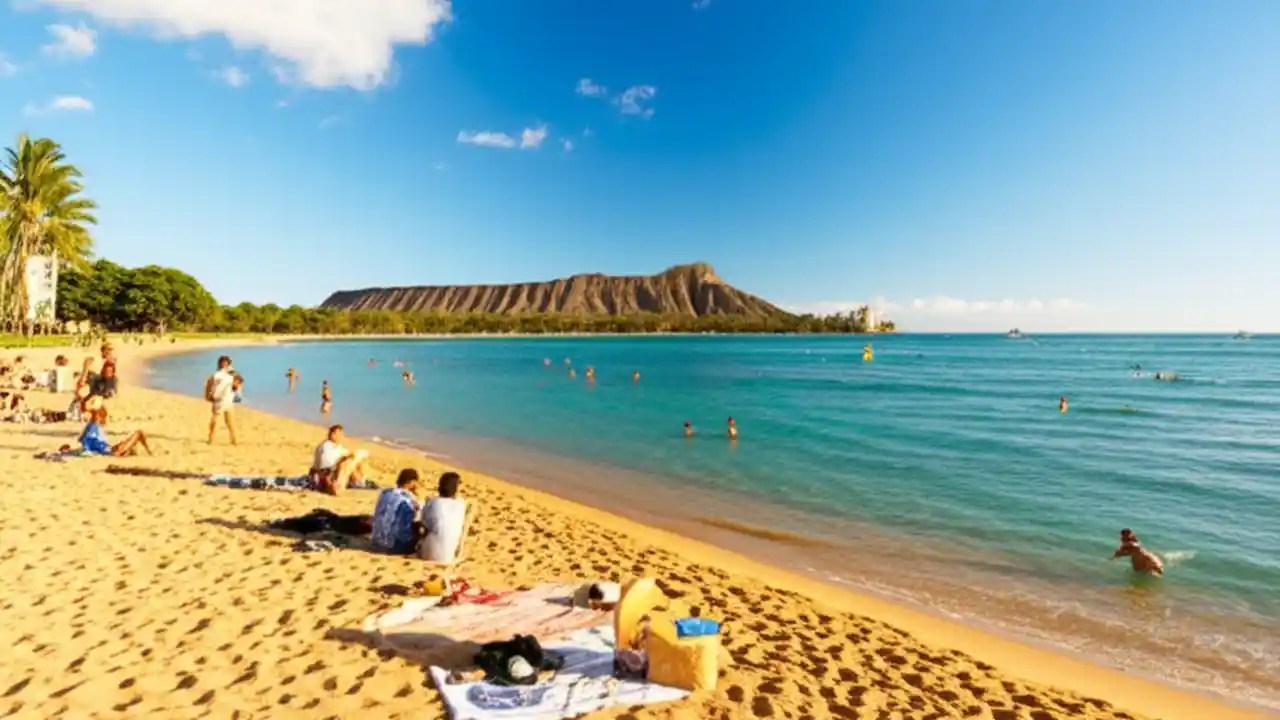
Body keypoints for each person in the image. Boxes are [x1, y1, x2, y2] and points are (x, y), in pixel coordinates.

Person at [419, 472, 471, 564]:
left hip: (428, 554)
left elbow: (424, 526)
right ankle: (460, 548)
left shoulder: (433, 502)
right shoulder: (460, 504)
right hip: (448, 557)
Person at [371, 469, 423, 554]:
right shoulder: (408, 499)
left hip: (376, 542)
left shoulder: (385, 492)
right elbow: (407, 526)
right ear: (412, 482)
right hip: (392, 546)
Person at [310, 424, 368, 495]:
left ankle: (358, 480)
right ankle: (359, 480)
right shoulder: (329, 447)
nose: (341, 437)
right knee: (351, 461)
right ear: (332, 434)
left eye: (341, 435)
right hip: (328, 475)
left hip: (319, 476)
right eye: (339, 435)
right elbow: (331, 463)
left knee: (353, 460)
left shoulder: (324, 445)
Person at [79, 407, 152, 456]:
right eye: (104, 417)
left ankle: (145, 451)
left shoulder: (90, 426)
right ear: (100, 417)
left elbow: (82, 440)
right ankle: (149, 452)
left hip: (111, 449)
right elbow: (92, 445)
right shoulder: (95, 427)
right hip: (113, 452)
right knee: (139, 433)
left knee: (132, 442)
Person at [204, 355, 238, 445]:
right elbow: (209, 384)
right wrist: (208, 395)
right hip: (220, 400)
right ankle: (211, 438)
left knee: (228, 421)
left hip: (225, 400)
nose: (224, 364)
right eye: (224, 363)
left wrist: (208, 395)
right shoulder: (223, 375)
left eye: (225, 363)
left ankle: (233, 439)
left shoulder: (220, 375)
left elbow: (209, 384)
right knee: (217, 420)